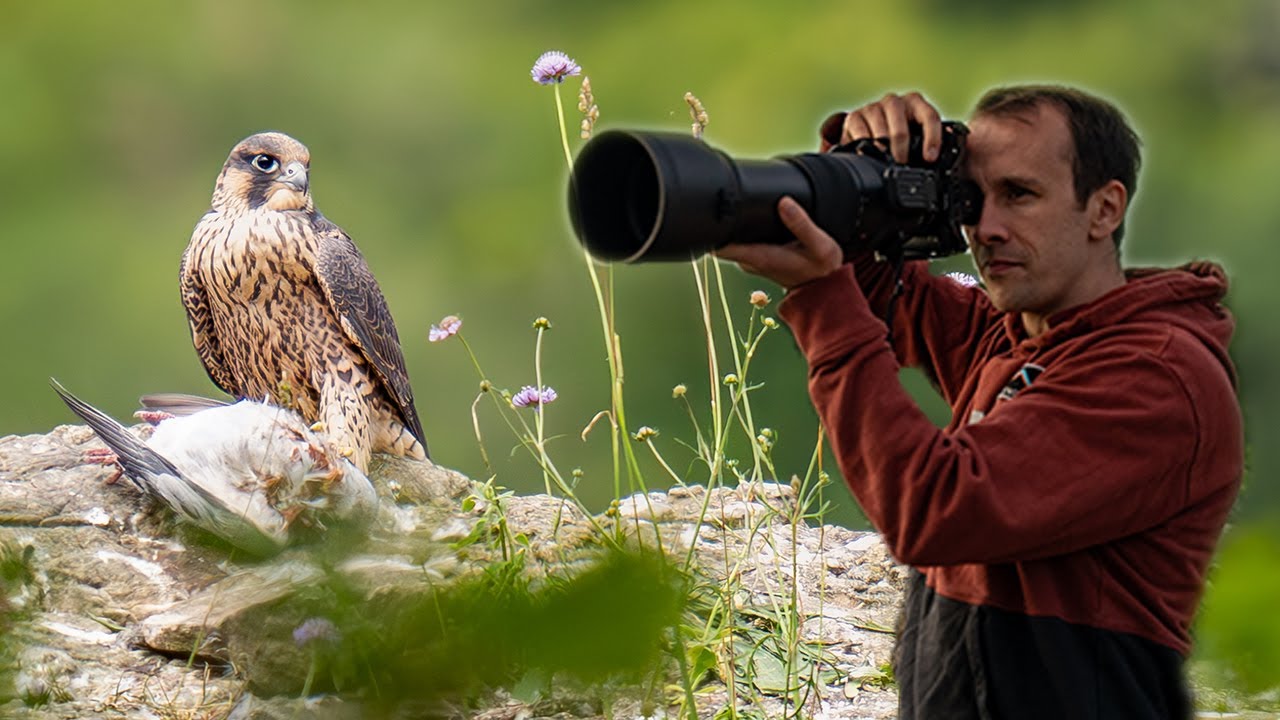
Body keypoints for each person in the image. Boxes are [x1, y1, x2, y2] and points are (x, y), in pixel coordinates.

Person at [717, 86, 1243, 719]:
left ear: (1104, 209)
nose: (985, 229)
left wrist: (823, 300)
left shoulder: (1153, 376)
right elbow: (880, 283)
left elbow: (935, 507)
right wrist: (859, 165)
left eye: (1019, 195)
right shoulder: (1017, 333)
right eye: (972, 199)